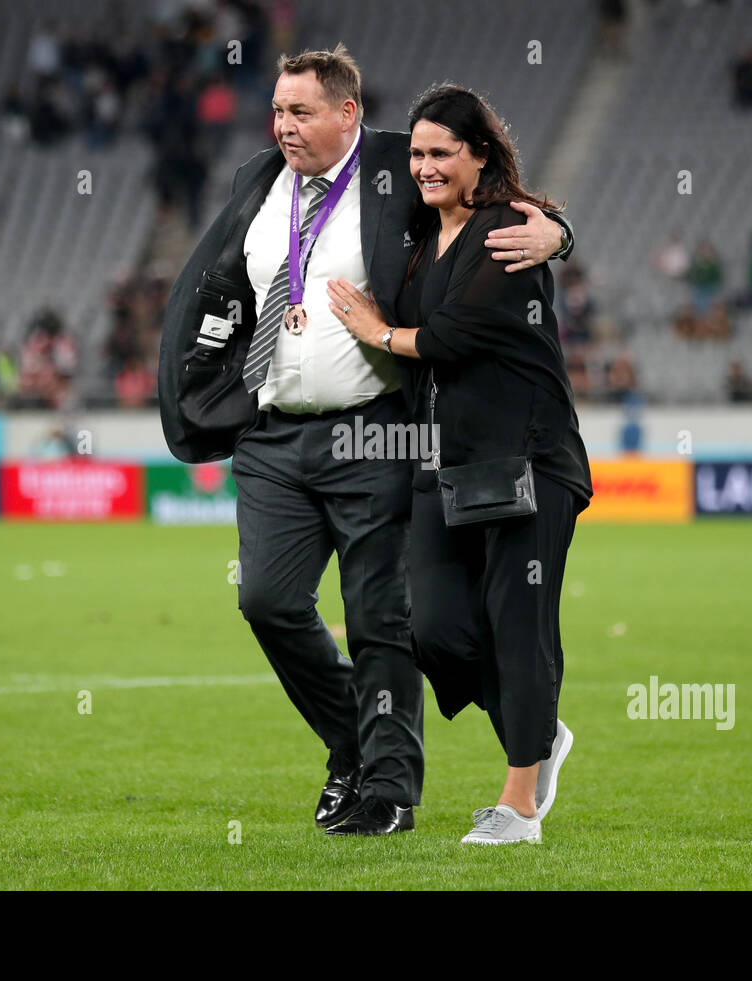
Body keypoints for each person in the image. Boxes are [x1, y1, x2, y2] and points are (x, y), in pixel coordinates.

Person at [157, 47, 575, 836]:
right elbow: (213, 288)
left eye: (301, 111)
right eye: (278, 111)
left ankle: (387, 790)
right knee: (268, 601)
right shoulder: (257, 182)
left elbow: (488, 197)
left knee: (382, 617)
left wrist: (557, 231)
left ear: (348, 113)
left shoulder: (396, 166)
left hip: (373, 430)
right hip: (273, 431)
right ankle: (349, 744)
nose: (284, 126)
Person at [330, 84, 592, 844]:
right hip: (442, 461)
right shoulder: (415, 236)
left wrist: (376, 332)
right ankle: (538, 728)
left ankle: (518, 806)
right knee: (434, 627)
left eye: (442, 151)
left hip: (529, 458)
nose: (425, 165)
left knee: (519, 622)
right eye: (416, 152)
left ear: (481, 154)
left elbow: (448, 337)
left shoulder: (511, 229)